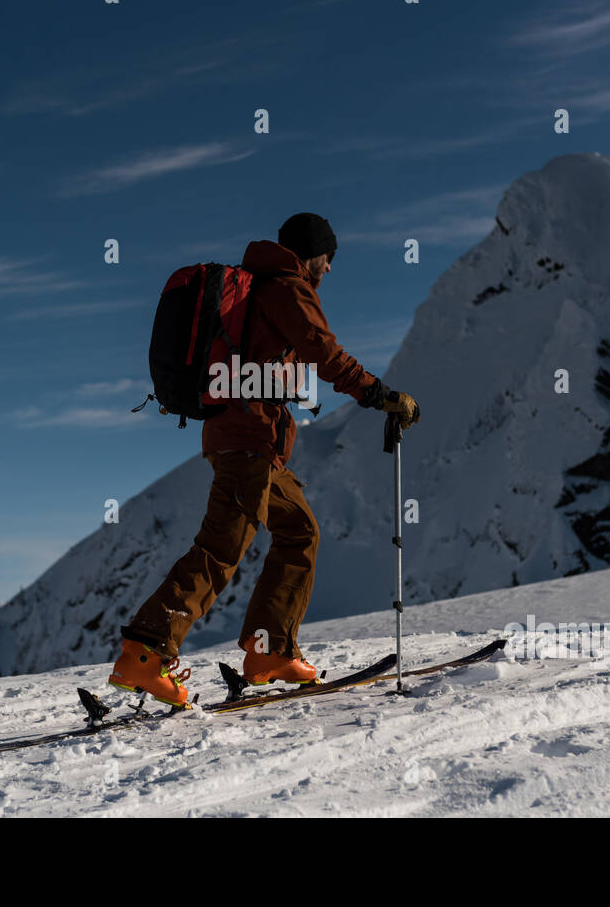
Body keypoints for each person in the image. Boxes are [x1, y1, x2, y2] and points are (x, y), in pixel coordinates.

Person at [109, 213, 420, 705]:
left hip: (251, 442)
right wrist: (379, 394)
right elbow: (324, 351)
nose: (330, 270)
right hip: (248, 440)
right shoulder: (287, 287)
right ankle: (144, 653)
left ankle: (268, 651)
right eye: (328, 258)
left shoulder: (263, 286)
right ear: (310, 254)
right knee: (219, 550)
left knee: (299, 531)